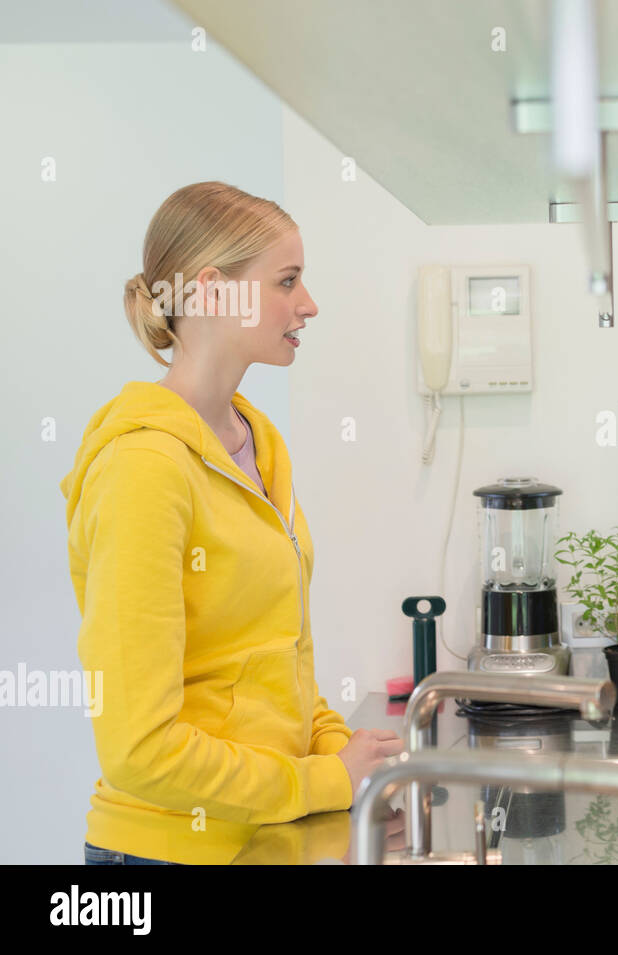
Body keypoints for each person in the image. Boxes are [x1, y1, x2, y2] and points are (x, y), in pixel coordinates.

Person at [61, 182, 403, 865]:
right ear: (216, 290)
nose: (308, 303)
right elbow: (138, 749)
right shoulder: (143, 467)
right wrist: (327, 778)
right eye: (287, 280)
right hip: (164, 851)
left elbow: (278, 664)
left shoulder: (255, 440)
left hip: (262, 834)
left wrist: (348, 751)